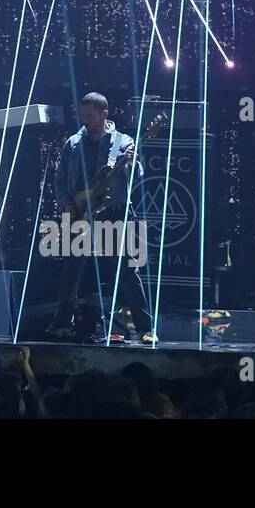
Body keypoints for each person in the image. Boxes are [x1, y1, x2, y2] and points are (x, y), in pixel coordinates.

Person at [46, 92, 155, 343]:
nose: (85, 121)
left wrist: (130, 163)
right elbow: (60, 179)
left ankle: (145, 328)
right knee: (71, 271)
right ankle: (61, 324)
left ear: (104, 114)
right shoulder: (72, 143)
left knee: (128, 271)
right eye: (82, 116)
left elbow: (137, 175)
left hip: (115, 212)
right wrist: (67, 205)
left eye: (90, 116)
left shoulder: (124, 142)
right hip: (82, 213)